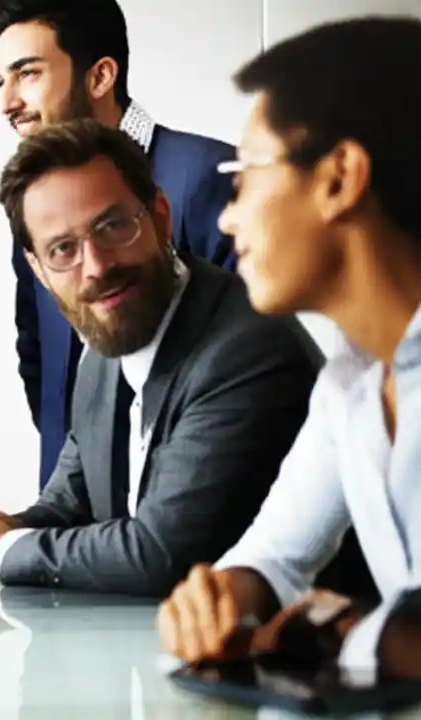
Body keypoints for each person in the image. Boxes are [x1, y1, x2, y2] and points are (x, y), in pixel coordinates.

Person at [0, 120, 319, 596]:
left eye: (113, 226)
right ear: (38, 270)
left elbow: (164, 552)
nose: (97, 266)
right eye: (63, 250)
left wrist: (3, 551)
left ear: (160, 216)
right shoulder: (104, 344)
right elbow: (68, 504)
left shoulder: (245, 345)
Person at [158, 17, 421, 680]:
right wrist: (219, 600)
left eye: (244, 176)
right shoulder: (350, 383)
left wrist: (345, 635)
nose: (225, 216)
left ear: (338, 178)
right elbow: (275, 557)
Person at [0, 0, 236, 489]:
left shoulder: (207, 178)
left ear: (100, 76)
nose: (7, 103)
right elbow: (41, 366)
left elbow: (247, 364)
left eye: (27, 74)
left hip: (197, 519)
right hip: (72, 522)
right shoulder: (37, 203)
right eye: (0, 81)